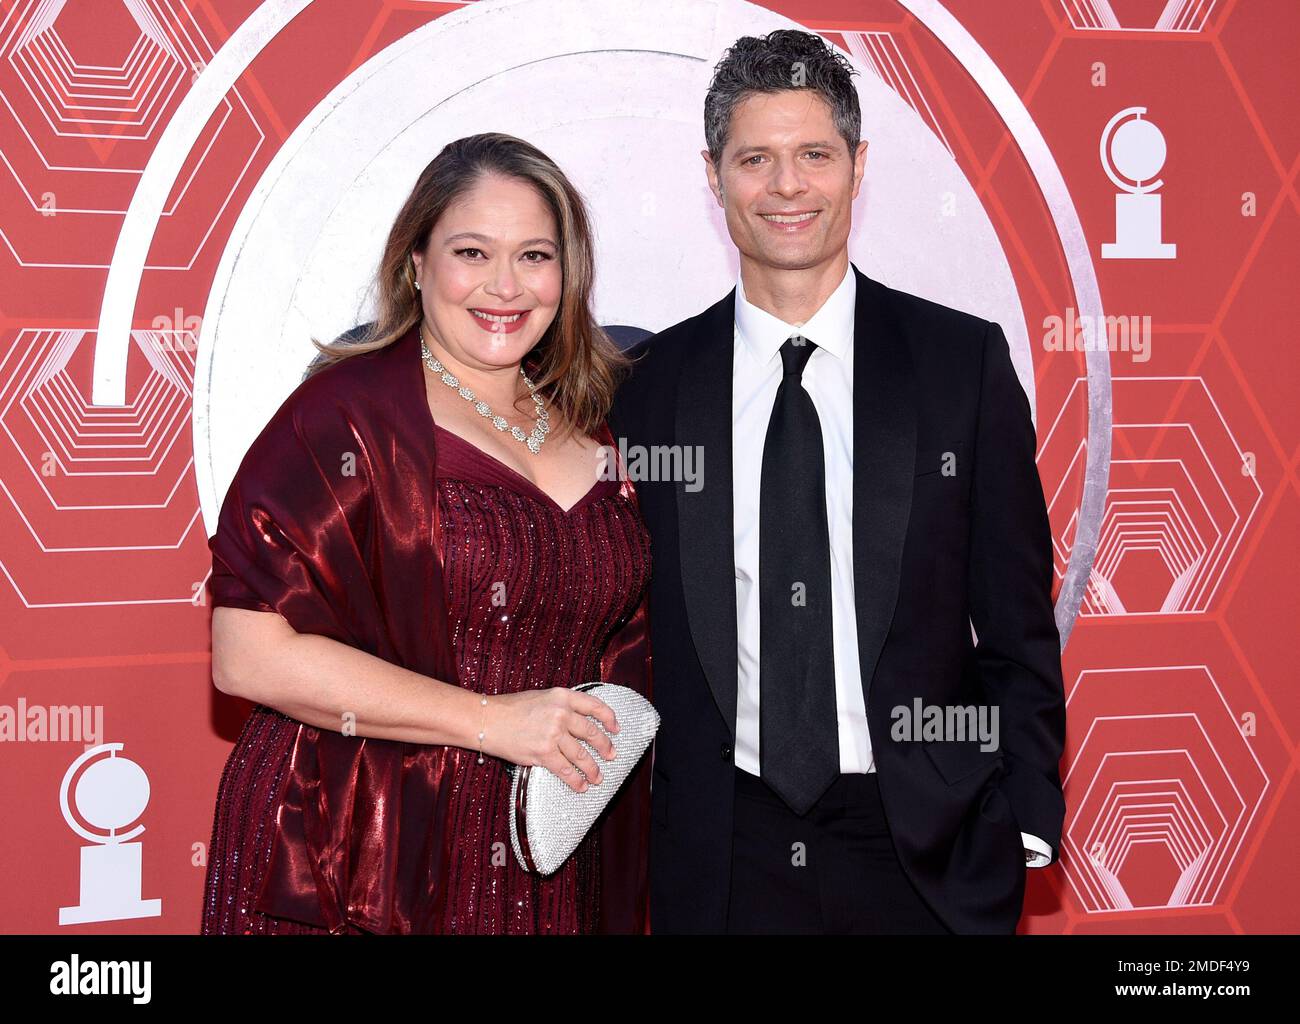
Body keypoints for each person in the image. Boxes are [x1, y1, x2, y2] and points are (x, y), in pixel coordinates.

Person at [608, 29, 1066, 934]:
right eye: (756, 159)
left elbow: (1016, 620)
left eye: (814, 154)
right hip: (721, 854)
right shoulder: (646, 386)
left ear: (858, 168)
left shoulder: (958, 364)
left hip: (925, 851)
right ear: (714, 175)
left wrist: (1021, 815)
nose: (787, 186)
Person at [201, 133, 653, 935]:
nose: (505, 286)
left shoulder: (600, 422)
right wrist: (492, 721)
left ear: (568, 272)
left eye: (535, 256)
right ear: (415, 263)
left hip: (541, 844)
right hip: (363, 845)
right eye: (472, 252)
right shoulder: (346, 415)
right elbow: (246, 654)